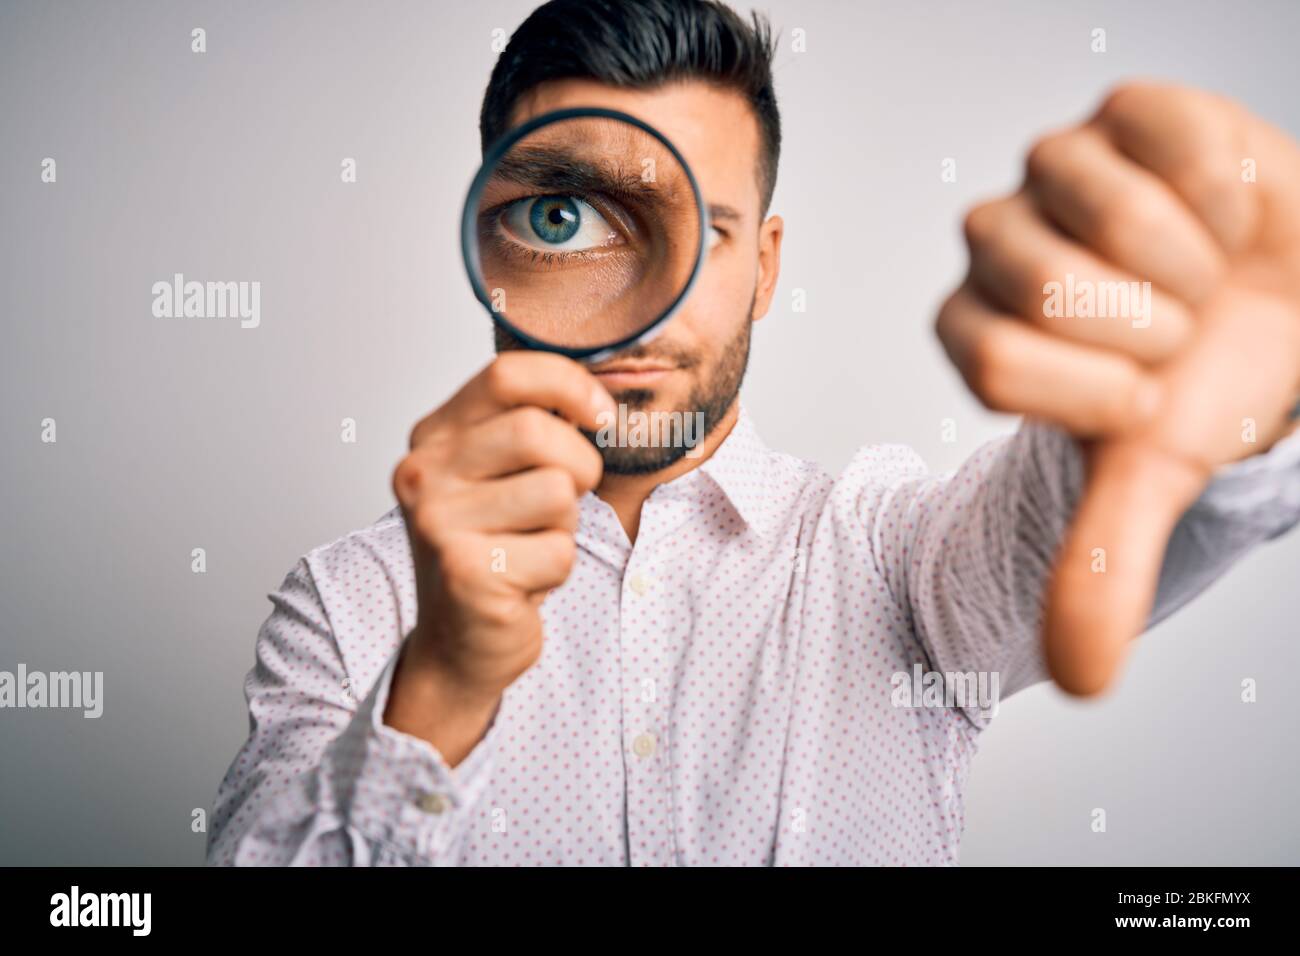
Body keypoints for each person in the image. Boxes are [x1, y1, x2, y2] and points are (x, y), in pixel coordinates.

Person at [208, 0, 1300, 865]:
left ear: (765, 266)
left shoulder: (889, 560)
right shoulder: (349, 604)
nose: (649, 306)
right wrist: (440, 681)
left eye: (704, 233)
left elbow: (1051, 523)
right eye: (565, 218)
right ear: (491, 246)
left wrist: (1234, 395)